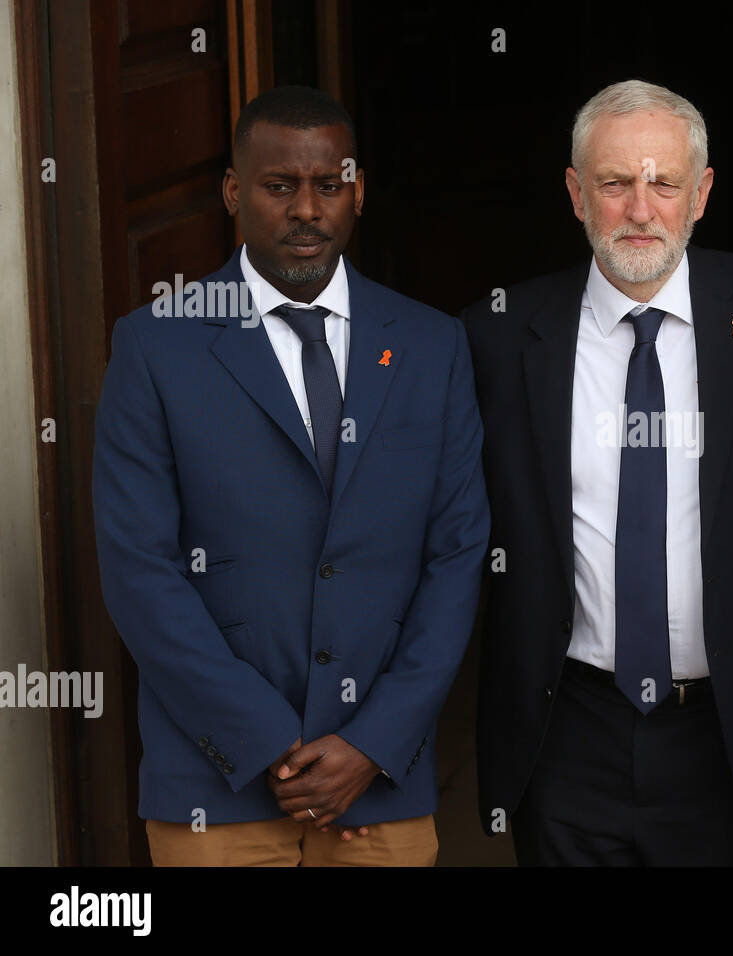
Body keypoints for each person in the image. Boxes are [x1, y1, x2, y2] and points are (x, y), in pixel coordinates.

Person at [462, 79, 733, 866]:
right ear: (577, 194)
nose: (641, 209)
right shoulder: (497, 335)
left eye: (664, 183)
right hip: (566, 737)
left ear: (702, 194)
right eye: (617, 184)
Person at [92, 86, 489, 866]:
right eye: (280, 187)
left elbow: (458, 556)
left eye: (329, 184)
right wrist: (274, 745)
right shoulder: (153, 347)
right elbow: (141, 572)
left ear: (358, 191)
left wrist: (371, 743)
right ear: (236, 193)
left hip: (379, 783)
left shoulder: (431, 345)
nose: (307, 209)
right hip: (217, 786)